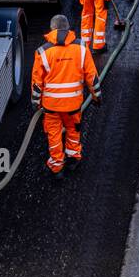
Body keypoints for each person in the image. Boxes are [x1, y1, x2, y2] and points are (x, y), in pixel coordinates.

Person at [31, 15, 101, 180]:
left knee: (54, 134)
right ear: (68, 28)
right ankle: (74, 157)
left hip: (51, 106)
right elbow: (92, 77)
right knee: (73, 129)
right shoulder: (82, 48)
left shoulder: (43, 52)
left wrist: (35, 102)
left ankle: (57, 167)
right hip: (73, 104)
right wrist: (96, 96)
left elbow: (36, 83)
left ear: (52, 29)